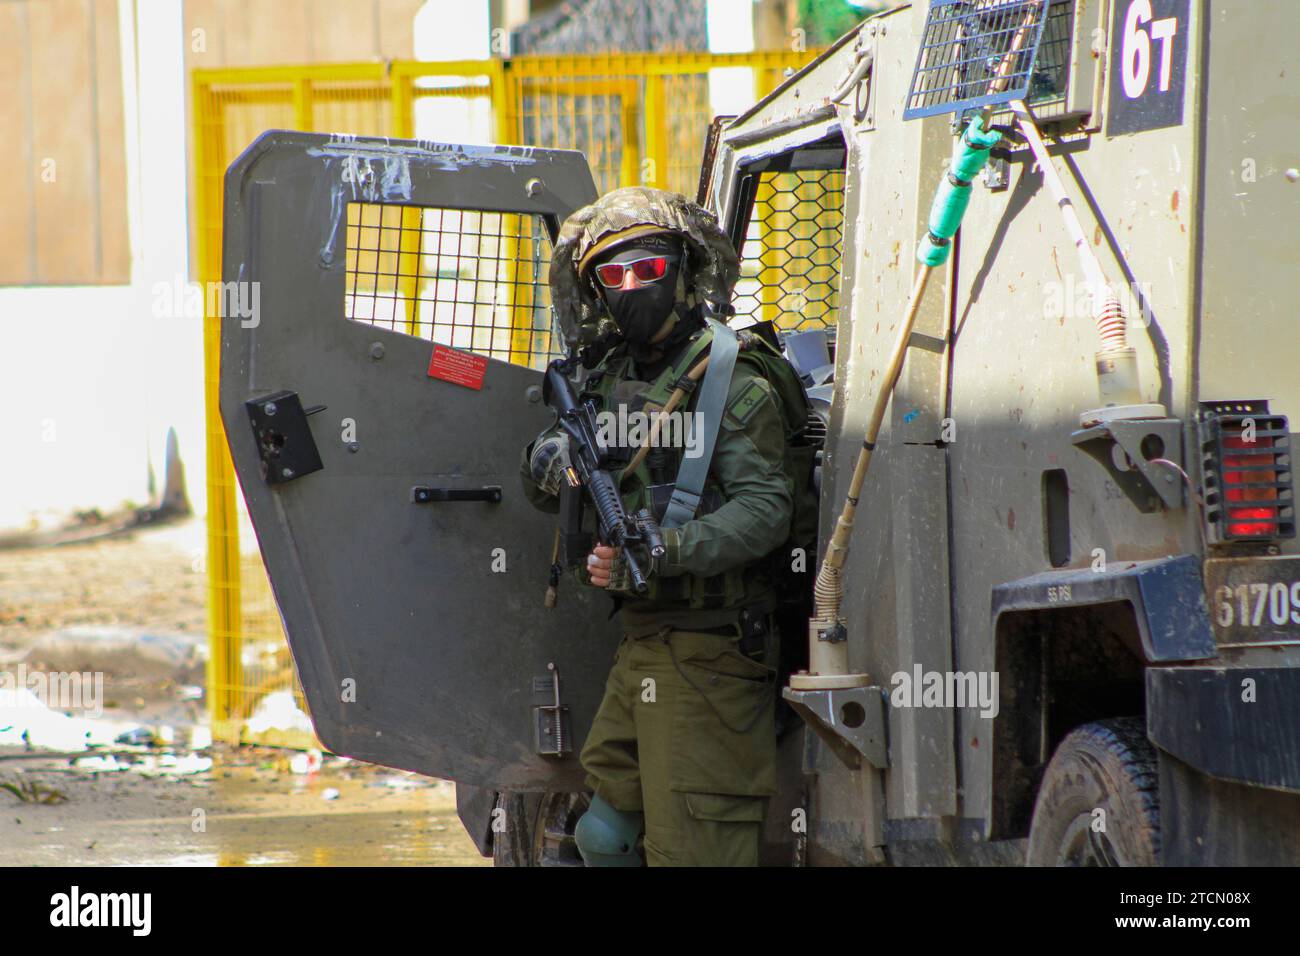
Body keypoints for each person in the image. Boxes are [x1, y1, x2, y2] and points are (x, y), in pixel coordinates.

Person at [521, 186, 804, 866]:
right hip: (644, 643)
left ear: (683, 269)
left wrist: (662, 548)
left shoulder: (730, 376)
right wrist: (561, 462)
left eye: (646, 269)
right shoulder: (612, 373)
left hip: (712, 651)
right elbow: (542, 468)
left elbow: (765, 510)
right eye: (611, 277)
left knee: (694, 852)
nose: (630, 288)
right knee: (603, 836)